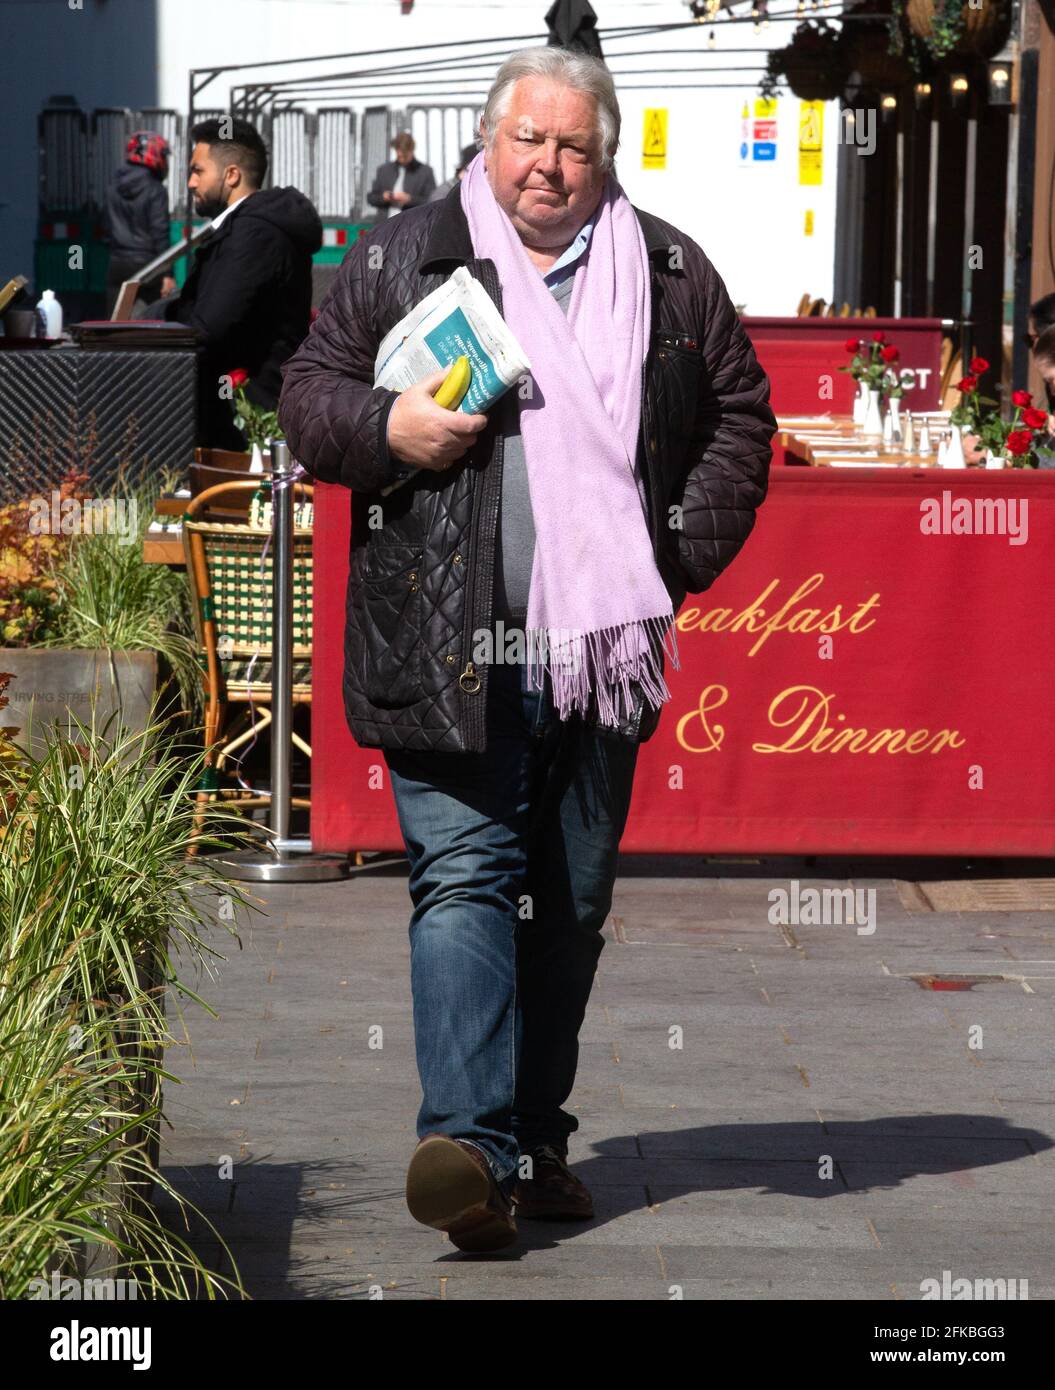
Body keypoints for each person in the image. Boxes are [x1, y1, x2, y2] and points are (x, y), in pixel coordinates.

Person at [279, 45, 774, 1253]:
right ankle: (469, 1150)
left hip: (600, 650)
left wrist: (668, 556)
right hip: (446, 640)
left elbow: (741, 413)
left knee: (572, 901)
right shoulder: (405, 253)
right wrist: (389, 426)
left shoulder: (664, 267)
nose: (548, 165)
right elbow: (307, 394)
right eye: (529, 141)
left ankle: (533, 1138)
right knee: (459, 883)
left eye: (574, 146)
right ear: (488, 142)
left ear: (603, 156)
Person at [159, 117, 322, 449]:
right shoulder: (247, 229)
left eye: (197, 171)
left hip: (247, 417)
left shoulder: (254, 234)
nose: (190, 183)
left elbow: (211, 327)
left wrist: (155, 328)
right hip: (241, 409)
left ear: (231, 175)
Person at [102, 131, 176, 316]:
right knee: (148, 324)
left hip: (117, 262)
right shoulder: (155, 189)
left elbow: (105, 227)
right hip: (148, 266)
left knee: (114, 323)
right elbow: (160, 233)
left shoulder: (112, 186)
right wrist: (168, 274)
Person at [366, 132, 436, 219]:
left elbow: (432, 201)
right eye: (399, 156)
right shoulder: (383, 170)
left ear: (411, 151)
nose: (401, 158)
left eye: (405, 156)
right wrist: (383, 197)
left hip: (412, 224)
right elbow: (371, 198)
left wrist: (409, 199)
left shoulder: (425, 172)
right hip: (385, 224)